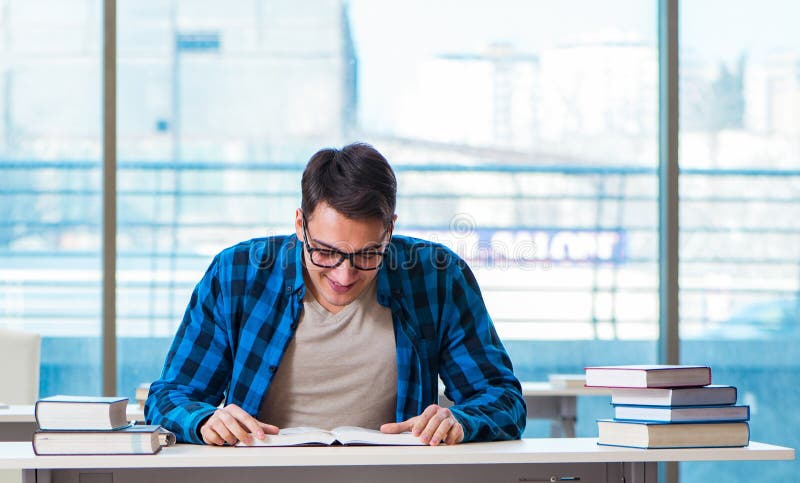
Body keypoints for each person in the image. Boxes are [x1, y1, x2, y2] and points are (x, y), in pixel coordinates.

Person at [145, 142, 526, 446]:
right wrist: (207, 419)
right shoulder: (236, 274)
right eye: (325, 252)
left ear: (390, 230)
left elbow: (503, 398)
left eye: (368, 254)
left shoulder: (437, 276)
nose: (344, 275)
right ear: (300, 225)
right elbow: (168, 397)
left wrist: (459, 420)